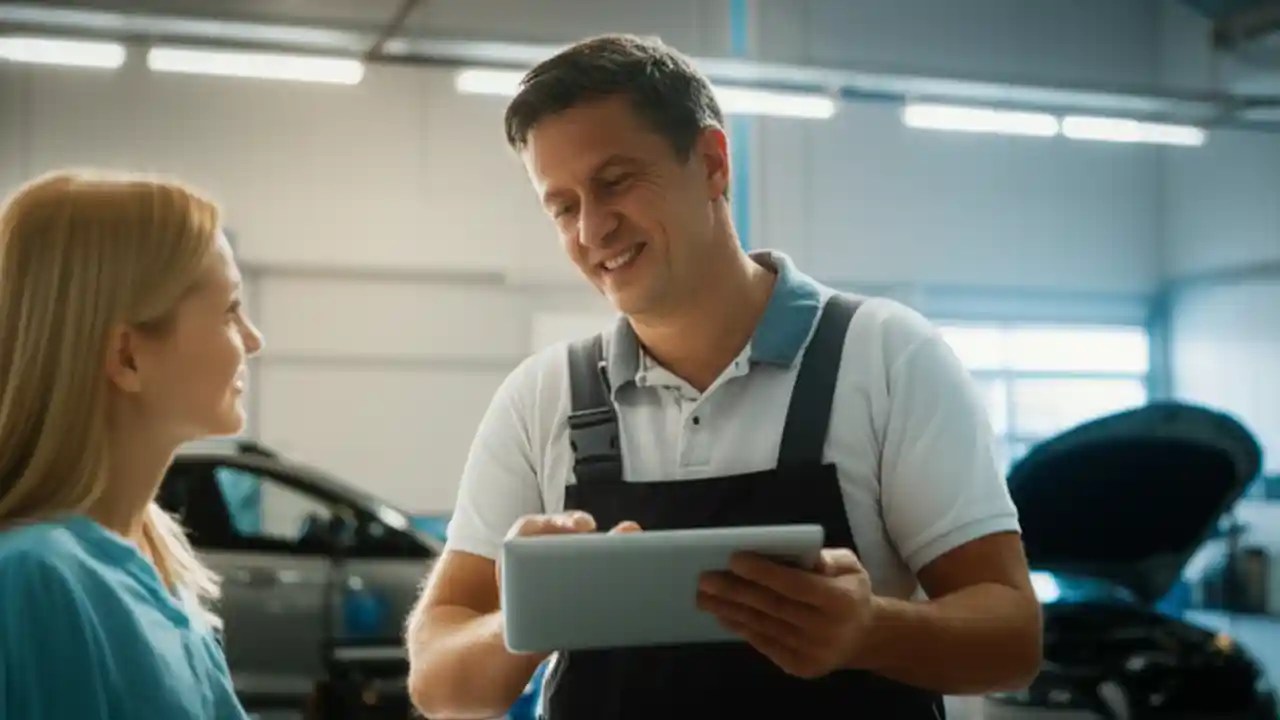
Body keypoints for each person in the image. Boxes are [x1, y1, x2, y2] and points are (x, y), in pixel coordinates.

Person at [406, 34, 1042, 718]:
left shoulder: (887, 357)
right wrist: (530, 616)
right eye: (562, 206)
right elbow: (439, 687)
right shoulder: (541, 400)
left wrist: (871, 631)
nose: (592, 229)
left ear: (712, 163)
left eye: (615, 182)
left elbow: (1012, 640)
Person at [0, 171, 264, 719]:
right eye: (229, 311)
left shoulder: (152, 566)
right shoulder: (37, 584)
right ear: (127, 357)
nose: (253, 340)